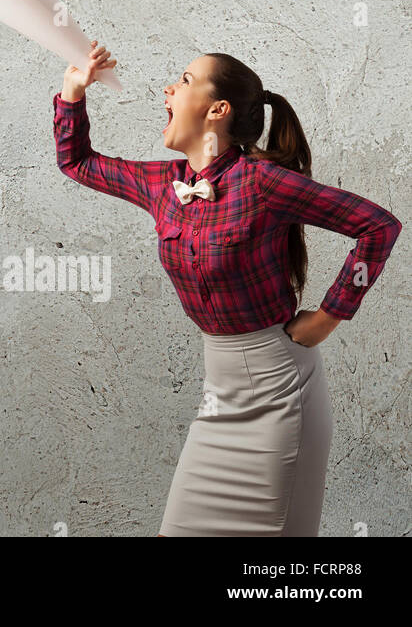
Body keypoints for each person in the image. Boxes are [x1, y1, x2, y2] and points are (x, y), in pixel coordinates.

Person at [53, 43, 402, 536]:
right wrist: (73, 92)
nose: (169, 89)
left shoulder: (262, 182)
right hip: (218, 396)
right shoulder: (164, 185)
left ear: (218, 111)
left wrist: (327, 317)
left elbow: (377, 226)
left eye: (185, 80)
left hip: (280, 392)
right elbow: (77, 163)